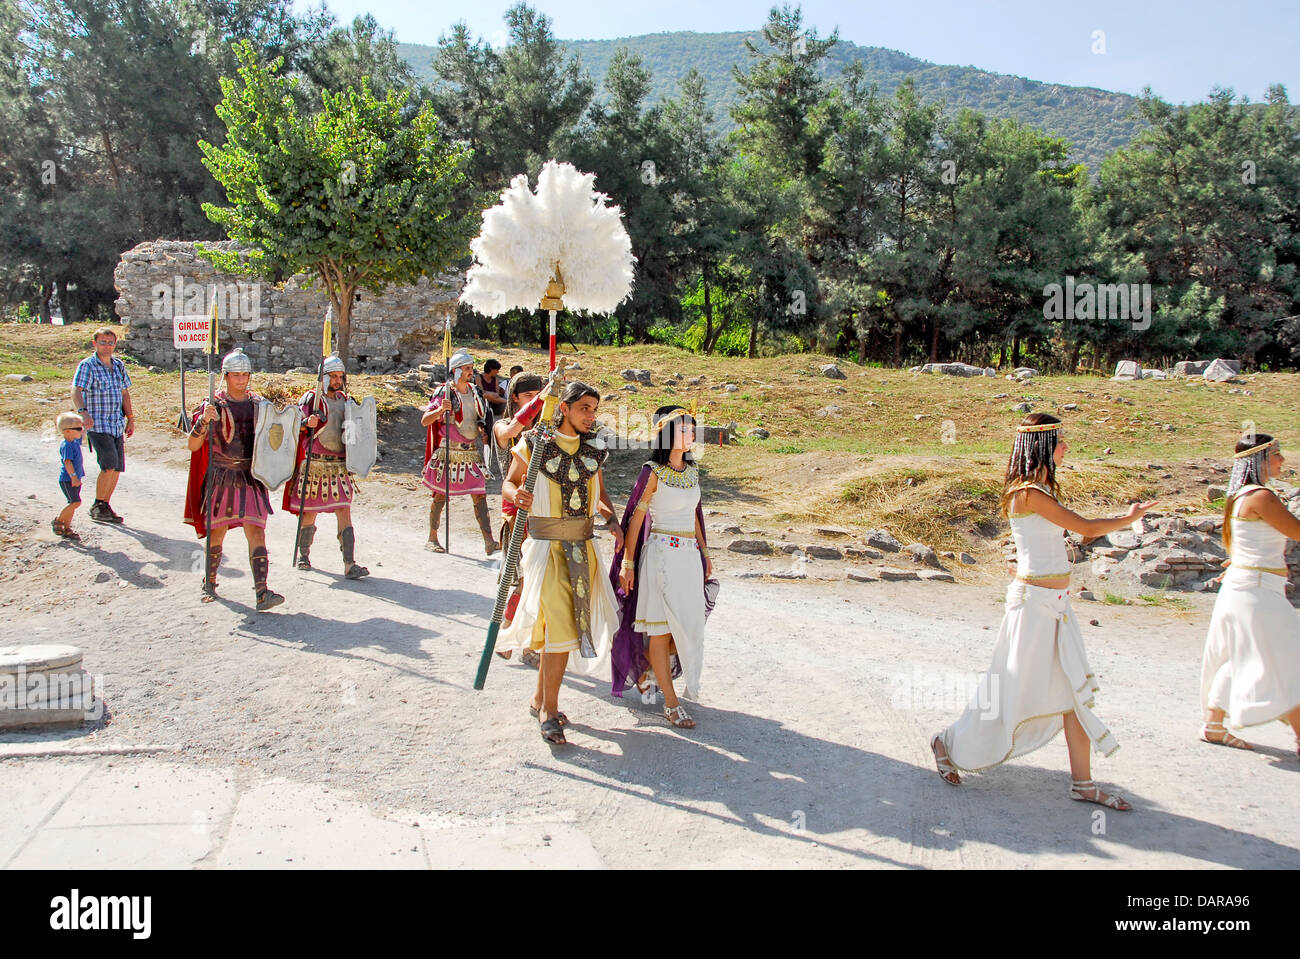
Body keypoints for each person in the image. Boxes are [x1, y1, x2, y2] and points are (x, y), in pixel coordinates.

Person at [930, 413, 1156, 810]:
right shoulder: (1029, 493)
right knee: (1008, 693)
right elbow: (1085, 528)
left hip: (1053, 607)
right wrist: (1130, 517)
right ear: (1042, 446)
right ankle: (946, 743)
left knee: (1072, 694)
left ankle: (1084, 785)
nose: (1066, 446)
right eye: (1060, 440)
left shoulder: (1038, 492)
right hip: (1033, 609)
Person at [496, 381, 624, 745]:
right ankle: (550, 712)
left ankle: (539, 700)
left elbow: (599, 495)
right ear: (564, 408)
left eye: (595, 409)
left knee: (560, 630)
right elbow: (509, 483)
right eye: (585, 407)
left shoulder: (594, 450)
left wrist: (611, 521)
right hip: (547, 548)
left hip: (582, 549)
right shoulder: (535, 444)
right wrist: (516, 494)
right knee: (559, 628)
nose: (591, 415)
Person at [610, 405, 714, 728]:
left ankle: (649, 672)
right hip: (661, 557)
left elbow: (695, 516)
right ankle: (670, 704)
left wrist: (706, 553)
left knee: (685, 628)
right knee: (661, 629)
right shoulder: (651, 473)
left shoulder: (693, 471)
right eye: (685, 429)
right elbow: (634, 521)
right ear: (669, 434)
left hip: (688, 557)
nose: (691, 435)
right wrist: (627, 563)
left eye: (692, 430)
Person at [1199, 432, 1300, 757]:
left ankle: (1215, 724)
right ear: (1260, 459)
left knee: (1239, 655)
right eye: (1276, 454)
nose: (1282, 460)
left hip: (1248, 589)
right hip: (1257, 593)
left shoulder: (1240, 496)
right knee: (1289, 660)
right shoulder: (1261, 497)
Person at [182, 348, 284, 611]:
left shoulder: (259, 405)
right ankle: (210, 584)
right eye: (235, 375)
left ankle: (262, 592)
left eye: (245, 374)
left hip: (251, 477)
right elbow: (193, 446)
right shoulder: (212, 406)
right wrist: (203, 423)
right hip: (222, 479)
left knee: (257, 532)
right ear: (226, 376)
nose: (241, 379)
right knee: (217, 534)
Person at [285, 354, 368, 579]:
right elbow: (293, 427)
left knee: (344, 509)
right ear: (323, 378)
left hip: (339, 465)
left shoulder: (345, 400)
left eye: (340, 376)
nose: (337, 380)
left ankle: (349, 564)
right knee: (310, 512)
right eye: (333, 376)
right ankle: (304, 555)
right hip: (315, 464)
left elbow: (356, 430)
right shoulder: (311, 399)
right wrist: (306, 423)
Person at [491, 371, 546, 666]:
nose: (536, 404)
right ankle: (508, 632)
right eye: (529, 397)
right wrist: (541, 401)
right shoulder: (502, 425)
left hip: (544, 509)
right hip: (516, 507)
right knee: (522, 580)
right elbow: (512, 430)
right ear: (515, 397)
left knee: (539, 580)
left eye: (538, 396)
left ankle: (528, 643)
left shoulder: (546, 430)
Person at [422, 350, 496, 555]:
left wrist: (483, 430)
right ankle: (432, 538)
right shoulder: (444, 393)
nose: (470, 372)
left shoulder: (474, 391)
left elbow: (479, 417)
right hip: (449, 451)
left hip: (471, 452)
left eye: (471, 368)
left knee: (480, 496)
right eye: (466, 369)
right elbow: (425, 420)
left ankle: (489, 541)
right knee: (440, 496)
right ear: (455, 371)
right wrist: (440, 410)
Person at [71, 326, 134, 524]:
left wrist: (131, 418)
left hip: (115, 424)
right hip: (97, 424)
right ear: (95, 344)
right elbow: (76, 390)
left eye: (110, 342)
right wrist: (83, 412)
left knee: (116, 468)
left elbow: (124, 392)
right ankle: (98, 504)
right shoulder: (87, 365)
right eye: (102, 342)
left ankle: (105, 505)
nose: (107, 346)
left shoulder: (118, 365)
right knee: (108, 464)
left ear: (115, 344)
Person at [53, 411, 86, 542]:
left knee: (72, 504)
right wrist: (73, 477)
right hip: (68, 480)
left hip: (75, 479)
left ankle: (67, 528)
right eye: (78, 428)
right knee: (75, 502)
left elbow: (84, 433)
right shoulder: (67, 445)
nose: (81, 430)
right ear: (67, 431)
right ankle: (58, 521)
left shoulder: (74, 440)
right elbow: (67, 462)